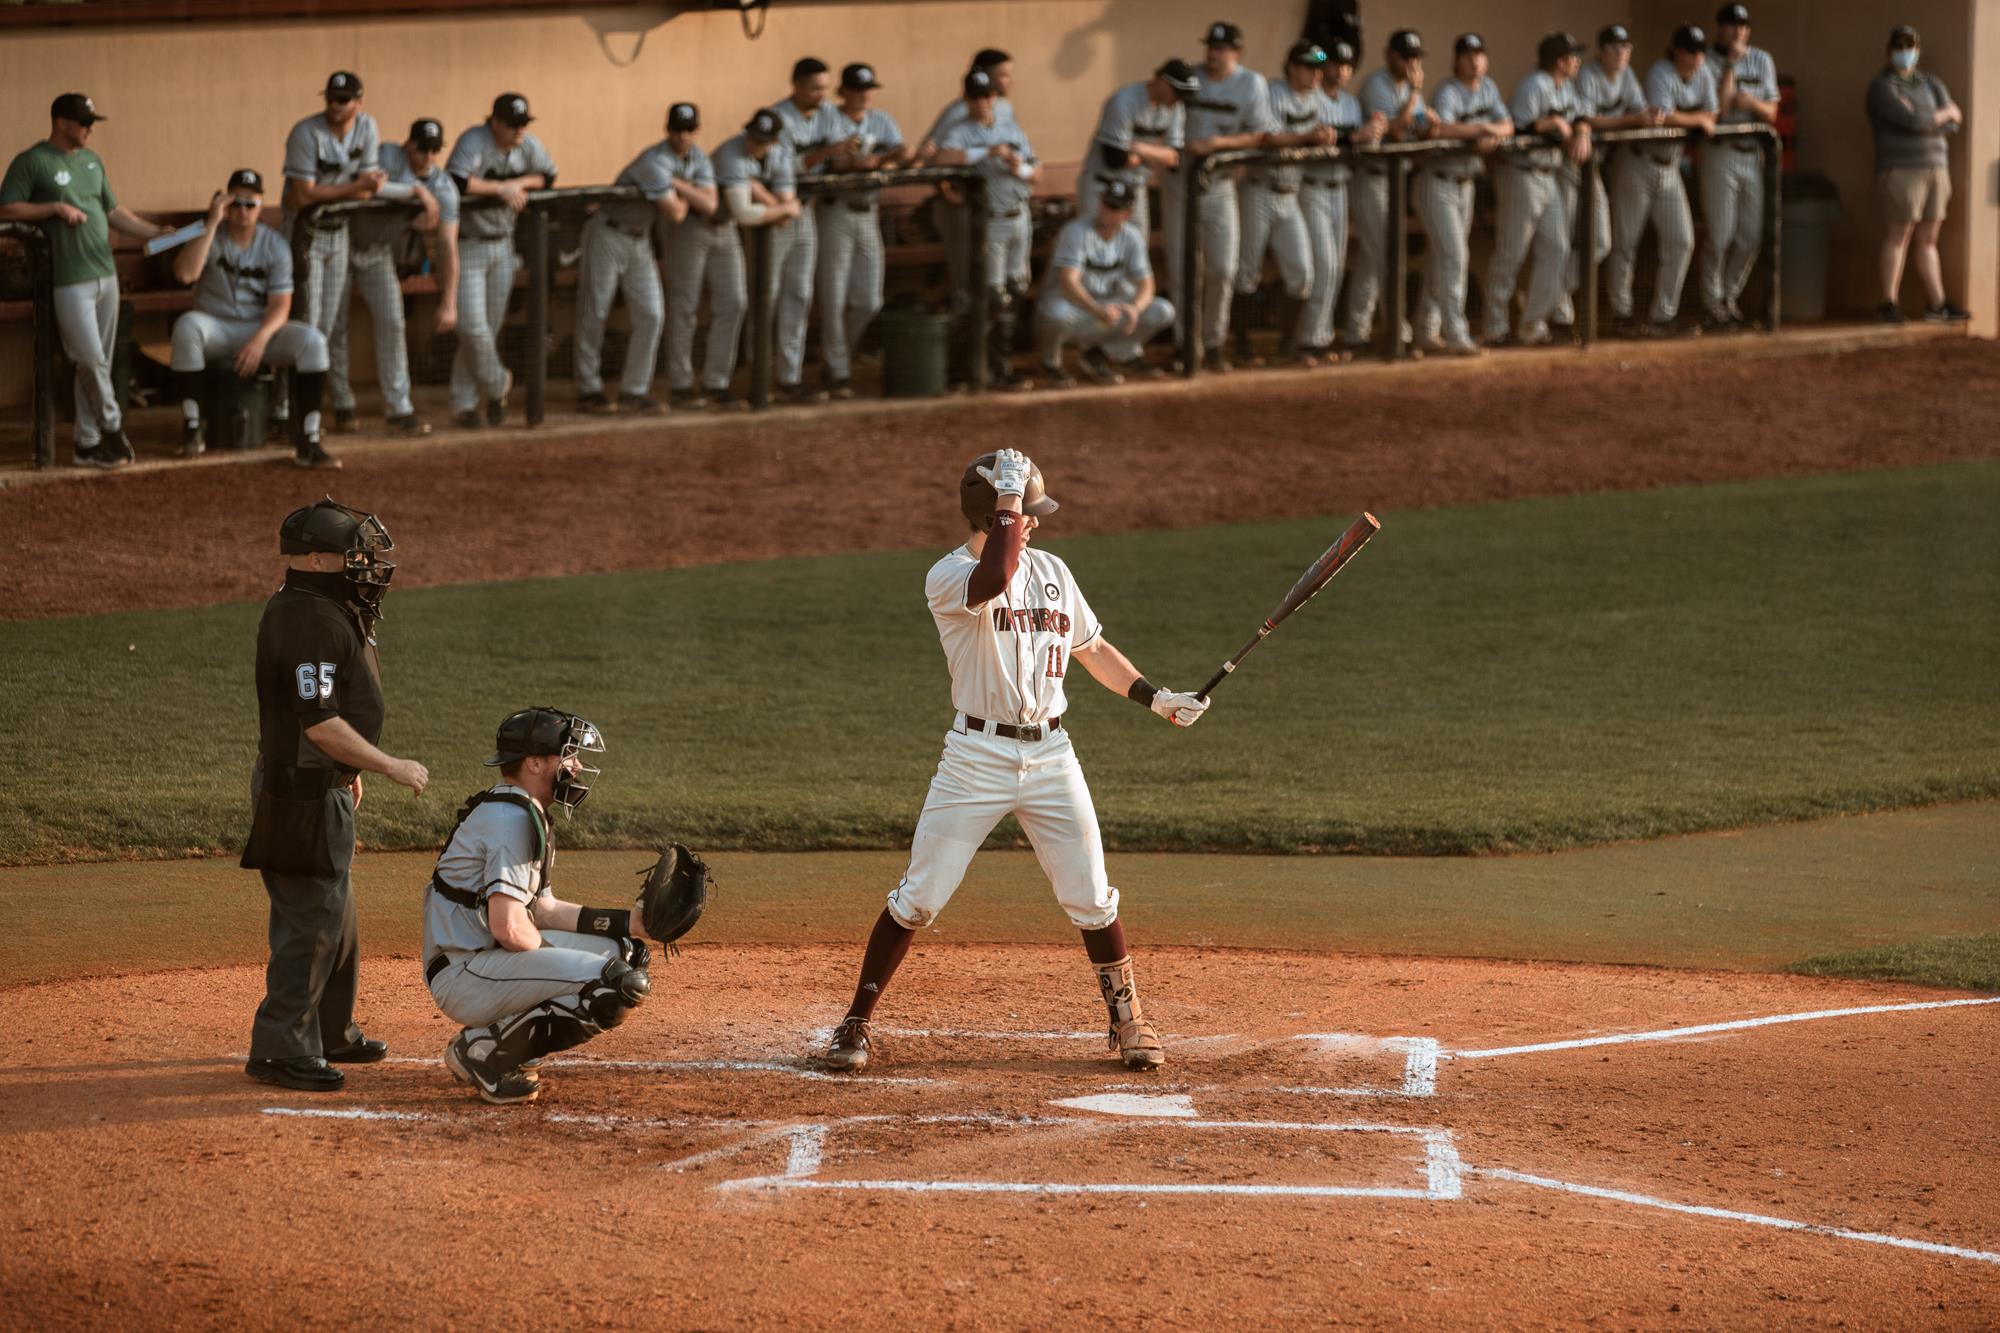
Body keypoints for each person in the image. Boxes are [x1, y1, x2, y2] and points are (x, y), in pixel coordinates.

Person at [820, 448, 1212, 1075]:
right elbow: (995, 578)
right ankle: (856, 1022)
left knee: (1091, 894)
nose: (1035, 522)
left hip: (1053, 756)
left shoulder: (1053, 569)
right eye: (1025, 511)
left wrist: (1156, 698)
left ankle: (1128, 1020)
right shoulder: (948, 577)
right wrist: (1007, 495)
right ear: (995, 512)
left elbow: (1093, 648)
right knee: (919, 897)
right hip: (975, 757)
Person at [243, 499, 429, 1092]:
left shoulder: (322, 607)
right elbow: (318, 722)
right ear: (317, 557)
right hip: (299, 794)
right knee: (310, 921)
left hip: (319, 783)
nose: (368, 564)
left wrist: (348, 772)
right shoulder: (309, 620)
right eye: (355, 554)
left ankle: (329, 1031)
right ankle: (279, 1049)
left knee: (336, 915)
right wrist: (389, 765)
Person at [426, 708, 657, 1107]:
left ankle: (508, 1038)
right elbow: (510, 929)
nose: (578, 766)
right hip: (467, 974)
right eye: (568, 756)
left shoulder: (524, 811)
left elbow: (543, 910)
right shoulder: (509, 821)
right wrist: (563, 965)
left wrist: (631, 923)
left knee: (626, 952)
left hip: (487, 962)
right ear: (534, 763)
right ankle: (484, 1052)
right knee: (613, 984)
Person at [0, 92, 169, 468]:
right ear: (61, 122)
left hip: (104, 272)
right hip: (68, 276)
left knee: (99, 363)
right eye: (83, 122)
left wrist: (153, 232)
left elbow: (112, 210)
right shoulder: (33, 162)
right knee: (88, 358)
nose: (90, 129)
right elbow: (7, 207)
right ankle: (112, 428)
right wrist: (54, 208)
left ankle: (88, 443)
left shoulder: (92, 161)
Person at [169, 170, 339, 468]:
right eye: (236, 203)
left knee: (313, 342)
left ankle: (309, 439)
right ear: (225, 203)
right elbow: (185, 274)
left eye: (251, 204)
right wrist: (212, 221)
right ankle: (193, 427)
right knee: (186, 327)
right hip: (215, 326)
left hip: (259, 329)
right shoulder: (210, 234)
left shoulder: (274, 245)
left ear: (261, 205)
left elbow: (280, 305)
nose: (243, 211)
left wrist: (259, 342)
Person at [574, 102, 717, 416]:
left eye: (689, 130)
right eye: (677, 129)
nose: (683, 136)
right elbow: (678, 213)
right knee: (595, 312)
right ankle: (588, 388)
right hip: (608, 234)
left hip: (640, 240)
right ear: (667, 130)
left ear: (697, 131)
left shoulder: (698, 160)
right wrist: (684, 185)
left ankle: (634, 390)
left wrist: (678, 183)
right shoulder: (653, 161)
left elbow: (710, 205)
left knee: (652, 314)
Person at [330, 117, 456, 439]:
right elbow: (369, 187)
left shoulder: (443, 186)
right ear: (408, 144)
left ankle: (399, 408)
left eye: (434, 150)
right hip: (342, 243)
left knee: (392, 321)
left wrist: (448, 301)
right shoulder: (386, 155)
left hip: (378, 253)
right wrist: (415, 193)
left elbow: (446, 245)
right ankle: (342, 403)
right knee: (336, 325)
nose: (428, 156)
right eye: (421, 148)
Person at [671, 108, 801, 410]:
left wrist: (768, 200)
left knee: (734, 302)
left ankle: (716, 383)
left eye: (763, 140)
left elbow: (783, 212)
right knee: (685, 305)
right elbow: (748, 214)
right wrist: (781, 208)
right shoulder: (731, 154)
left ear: (775, 140)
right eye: (753, 137)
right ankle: (680, 385)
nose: (755, 144)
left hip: (725, 228)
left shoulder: (780, 155)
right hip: (694, 227)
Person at [446, 93, 556, 428]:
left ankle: (466, 404)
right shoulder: (474, 140)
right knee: (472, 327)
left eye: (523, 123)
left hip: (503, 247)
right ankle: (497, 384)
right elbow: (457, 181)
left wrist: (516, 183)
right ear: (494, 121)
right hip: (469, 245)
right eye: (512, 124)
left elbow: (548, 176)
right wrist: (498, 190)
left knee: (486, 331)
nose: (519, 130)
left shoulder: (528, 144)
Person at [1170, 20, 1274, 371]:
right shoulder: (1191, 76)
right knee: (1183, 268)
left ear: (1237, 52)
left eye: (1221, 49)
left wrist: (1217, 144)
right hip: (1180, 184)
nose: (1212, 54)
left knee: (1223, 268)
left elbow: (1259, 135)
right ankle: (1187, 345)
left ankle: (1214, 342)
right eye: (1210, 48)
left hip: (1221, 184)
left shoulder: (1251, 84)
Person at [1605, 27, 1717, 337]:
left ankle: (1663, 317)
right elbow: (1661, 116)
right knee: (1626, 242)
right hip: (1638, 162)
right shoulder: (1660, 72)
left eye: (1698, 50)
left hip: (1670, 167)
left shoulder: (1704, 73)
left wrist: (1697, 118)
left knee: (1682, 241)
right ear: (1676, 51)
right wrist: (1698, 120)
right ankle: (1620, 315)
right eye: (1689, 50)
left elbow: (1714, 114)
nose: (1695, 57)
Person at [932, 69, 1040, 390]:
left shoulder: (1011, 128)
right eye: (976, 96)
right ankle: (976, 370)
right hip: (989, 222)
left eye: (988, 95)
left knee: (1016, 290)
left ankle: (1000, 369)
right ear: (966, 99)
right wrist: (988, 152)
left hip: (1019, 217)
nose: (983, 102)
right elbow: (942, 157)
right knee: (992, 296)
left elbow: (1038, 172)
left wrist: (1018, 166)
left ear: (995, 97)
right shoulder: (960, 131)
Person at [283, 71, 386, 396]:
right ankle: (285, 406)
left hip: (338, 232)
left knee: (326, 325)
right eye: (330, 98)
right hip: (304, 233)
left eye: (343, 100)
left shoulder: (367, 127)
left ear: (358, 102)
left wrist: (337, 191)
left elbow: (370, 192)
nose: (335, 105)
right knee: (306, 322)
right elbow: (301, 196)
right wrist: (355, 186)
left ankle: (309, 402)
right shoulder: (306, 131)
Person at [1482, 32, 1588, 348]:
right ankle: (1494, 328)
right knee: (1510, 254)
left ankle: (1533, 324)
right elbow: (1519, 126)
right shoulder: (1534, 85)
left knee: (1557, 248)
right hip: (1521, 174)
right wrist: (1553, 123)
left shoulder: (1566, 86)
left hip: (1549, 175)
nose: (1577, 62)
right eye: (1573, 57)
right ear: (1560, 61)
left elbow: (1580, 116)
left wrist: (1580, 130)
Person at [1234, 42, 1337, 368]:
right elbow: (1269, 137)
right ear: (1291, 67)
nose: (1316, 73)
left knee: (1303, 273)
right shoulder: (1272, 91)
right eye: (1309, 66)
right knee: (1247, 271)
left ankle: (1286, 345)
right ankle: (1240, 343)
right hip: (1259, 190)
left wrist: (1326, 136)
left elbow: (1321, 132)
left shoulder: (1318, 97)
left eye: (1319, 67)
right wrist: (1309, 137)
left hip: (1290, 193)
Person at [812, 63, 911, 399]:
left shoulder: (881, 119)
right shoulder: (828, 117)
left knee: (870, 299)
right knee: (833, 295)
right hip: (835, 210)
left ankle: (840, 353)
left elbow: (903, 152)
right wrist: (849, 163)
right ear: (844, 92)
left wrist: (880, 162)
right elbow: (820, 161)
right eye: (858, 90)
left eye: (869, 89)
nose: (865, 95)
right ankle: (837, 370)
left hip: (868, 211)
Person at [1413, 33, 1510, 358]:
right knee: (1455, 257)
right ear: (1456, 60)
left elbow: (1508, 124)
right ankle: (1456, 333)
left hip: (1465, 183)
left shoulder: (1489, 88)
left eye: (1479, 54)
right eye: (1468, 55)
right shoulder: (1447, 90)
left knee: (1443, 258)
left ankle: (1426, 330)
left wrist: (1492, 131)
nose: (1474, 61)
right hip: (1437, 181)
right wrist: (1482, 131)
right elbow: (1441, 129)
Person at [1868, 25, 1968, 324]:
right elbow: (1911, 120)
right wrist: (1939, 116)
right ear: (1889, 50)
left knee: (1928, 238)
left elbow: (1955, 121)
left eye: (1910, 45)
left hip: (1935, 168)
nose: (1905, 51)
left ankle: (1937, 304)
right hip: (1900, 169)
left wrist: (1933, 119)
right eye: (1899, 46)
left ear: (1918, 49)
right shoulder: (1883, 87)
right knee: (1899, 233)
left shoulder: (1930, 83)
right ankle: (1888, 302)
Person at [1035, 178, 1175, 386]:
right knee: (1055, 314)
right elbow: (1068, 282)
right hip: (1076, 307)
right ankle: (1050, 362)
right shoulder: (1075, 231)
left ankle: (1103, 354)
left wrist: (1135, 309)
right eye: (1105, 203)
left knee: (1162, 310)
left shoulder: (1132, 236)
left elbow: (1147, 284)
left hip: (1107, 308)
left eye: (1114, 207)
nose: (1106, 210)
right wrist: (1096, 309)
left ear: (1127, 214)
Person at [1568, 25, 1662, 328]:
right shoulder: (1588, 77)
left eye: (1627, 47)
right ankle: (1553, 306)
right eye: (1616, 47)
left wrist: (1648, 118)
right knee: (1565, 243)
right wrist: (1632, 119)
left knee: (1598, 243)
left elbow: (1638, 111)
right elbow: (1584, 120)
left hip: (1594, 168)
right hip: (1570, 167)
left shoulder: (1628, 76)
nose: (1623, 53)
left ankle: (1555, 300)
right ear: (1603, 51)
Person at [1342, 29, 1428, 353]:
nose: (1411, 63)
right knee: (1386, 257)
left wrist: (1427, 120)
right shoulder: (1376, 85)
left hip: (1396, 180)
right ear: (1389, 55)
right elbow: (1397, 128)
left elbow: (1417, 126)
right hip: (1372, 178)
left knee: (1371, 259)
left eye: (1416, 57)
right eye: (1406, 56)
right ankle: (1399, 334)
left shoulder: (1409, 88)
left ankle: (1355, 332)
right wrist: (1417, 92)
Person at [1297, 42, 1382, 362]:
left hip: (1340, 187)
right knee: (1323, 265)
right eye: (1333, 63)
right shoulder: (1309, 99)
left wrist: (1374, 133)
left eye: (1346, 65)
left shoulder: (1350, 104)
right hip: (1312, 186)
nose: (1340, 70)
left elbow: (1359, 144)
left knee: (1334, 266)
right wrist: (1355, 138)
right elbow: (1314, 137)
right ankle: (1309, 339)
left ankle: (1321, 336)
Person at [1698, 4, 1780, 330]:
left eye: (1743, 25)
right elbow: (1718, 109)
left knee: (1750, 236)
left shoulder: (1762, 59)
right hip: (1720, 153)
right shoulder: (1706, 59)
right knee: (1720, 235)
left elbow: (1771, 112)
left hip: (1752, 155)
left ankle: (1728, 299)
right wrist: (1731, 66)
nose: (1737, 31)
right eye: (1731, 25)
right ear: (1719, 28)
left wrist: (1752, 104)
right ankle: (1710, 304)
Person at [1078, 59, 1198, 277]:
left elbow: (1175, 159)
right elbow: (1114, 158)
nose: (1179, 99)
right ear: (1161, 81)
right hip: (1101, 189)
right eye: (1177, 91)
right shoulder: (1125, 100)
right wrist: (1158, 152)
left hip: (1135, 191)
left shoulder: (1176, 107)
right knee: (1092, 254)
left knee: (1135, 260)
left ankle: (1128, 309)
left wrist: (1139, 148)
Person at [918, 48, 1016, 313]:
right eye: (1003, 75)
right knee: (966, 278)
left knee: (994, 278)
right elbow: (930, 157)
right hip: (958, 205)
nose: (1009, 81)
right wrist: (947, 192)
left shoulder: (1005, 109)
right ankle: (964, 344)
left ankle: (991, 343)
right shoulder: (958, 112)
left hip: (991, 204)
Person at [766, 58, 833, 405]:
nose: (822, 94)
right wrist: (829, 152)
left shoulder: (828, 114)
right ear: (796, 85)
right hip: (776, 215)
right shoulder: (776, 118)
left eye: (824, 87)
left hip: (807, 212)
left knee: (799, 294)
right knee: (769, 295)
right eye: (814, 87)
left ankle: (788, 378)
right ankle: (760, 374)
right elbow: (785, 166)